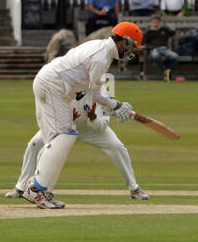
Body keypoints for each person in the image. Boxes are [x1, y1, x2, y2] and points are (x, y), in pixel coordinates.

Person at [22, 21, 143, 209]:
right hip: (52, 85)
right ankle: (35, 189)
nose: (131, 52)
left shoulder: (101, 50)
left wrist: (73, 103)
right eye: (131, 46)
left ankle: (43, 189)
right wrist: (116, 105)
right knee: (62, 135)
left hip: (57, 87)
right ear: (124, 41)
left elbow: (79, 80)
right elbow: (95, 93)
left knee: (61, 137)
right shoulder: (100, 58)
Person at [7, 92, 149, 202]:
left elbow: (101, 127)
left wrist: (93, 117)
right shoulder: (67, 84)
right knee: (34, 144)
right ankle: (20, 187)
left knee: (117, 147)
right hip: (65, 126)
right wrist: (67, 118)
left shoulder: (103, 95)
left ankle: (134, 189)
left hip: (91, 129)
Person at [142, 14, 180, 80]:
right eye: (154, 22)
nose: (155, 23)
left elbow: (173, 32)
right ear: (151, 22)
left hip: (164, 49)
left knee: (175, 57)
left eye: (157, 22)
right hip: (154, 49)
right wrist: (151, 47)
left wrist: (168, 26)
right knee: (156, 56)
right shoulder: (148, 32)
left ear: (160, 22)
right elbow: (144, 43)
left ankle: (168, 69)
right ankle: (164, 70)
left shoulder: (164, 30)